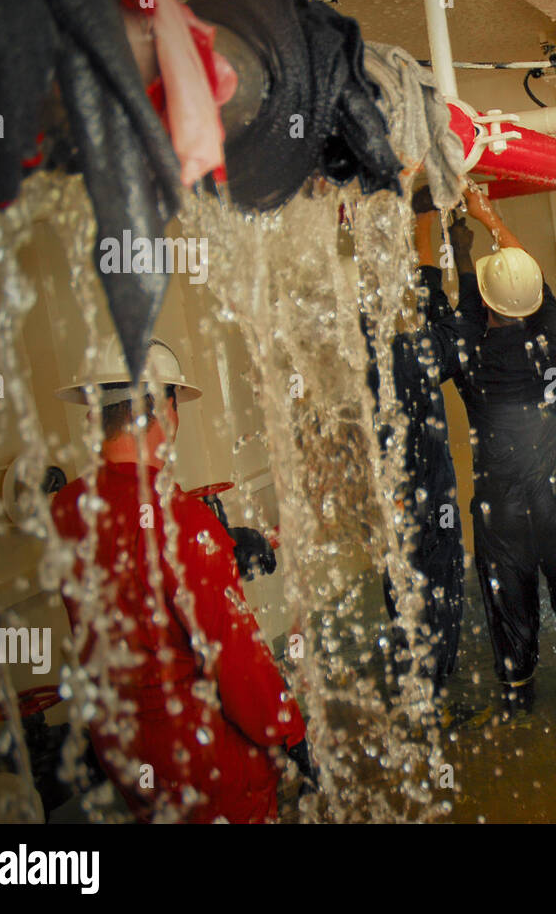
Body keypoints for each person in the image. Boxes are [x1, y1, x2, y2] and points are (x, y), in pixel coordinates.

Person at [51, 338, 309, 823]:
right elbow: (236, 662)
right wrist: (290, 734)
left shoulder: (65, 508)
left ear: (94, 415)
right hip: (202, 759)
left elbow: (130, 565)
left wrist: (222, 545)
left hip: (125, 747)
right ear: (166, 409)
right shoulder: (182, 522)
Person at [449, 187, 556, 714]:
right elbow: (524, 279)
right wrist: (489, 215)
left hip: (503, 515)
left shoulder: (469, 355)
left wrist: (457, 241)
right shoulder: (554, 341)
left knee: (512, 636)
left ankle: (518, 701)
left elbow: (469, 303)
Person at [360, 193, 469, 697]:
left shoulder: (360, 364)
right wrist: (435, 228)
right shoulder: (419, 352)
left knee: (401, 587)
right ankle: (437, 694)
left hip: (392, 503)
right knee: (441, 593)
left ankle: (411, 689)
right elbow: (451, 324)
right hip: (432, 500)